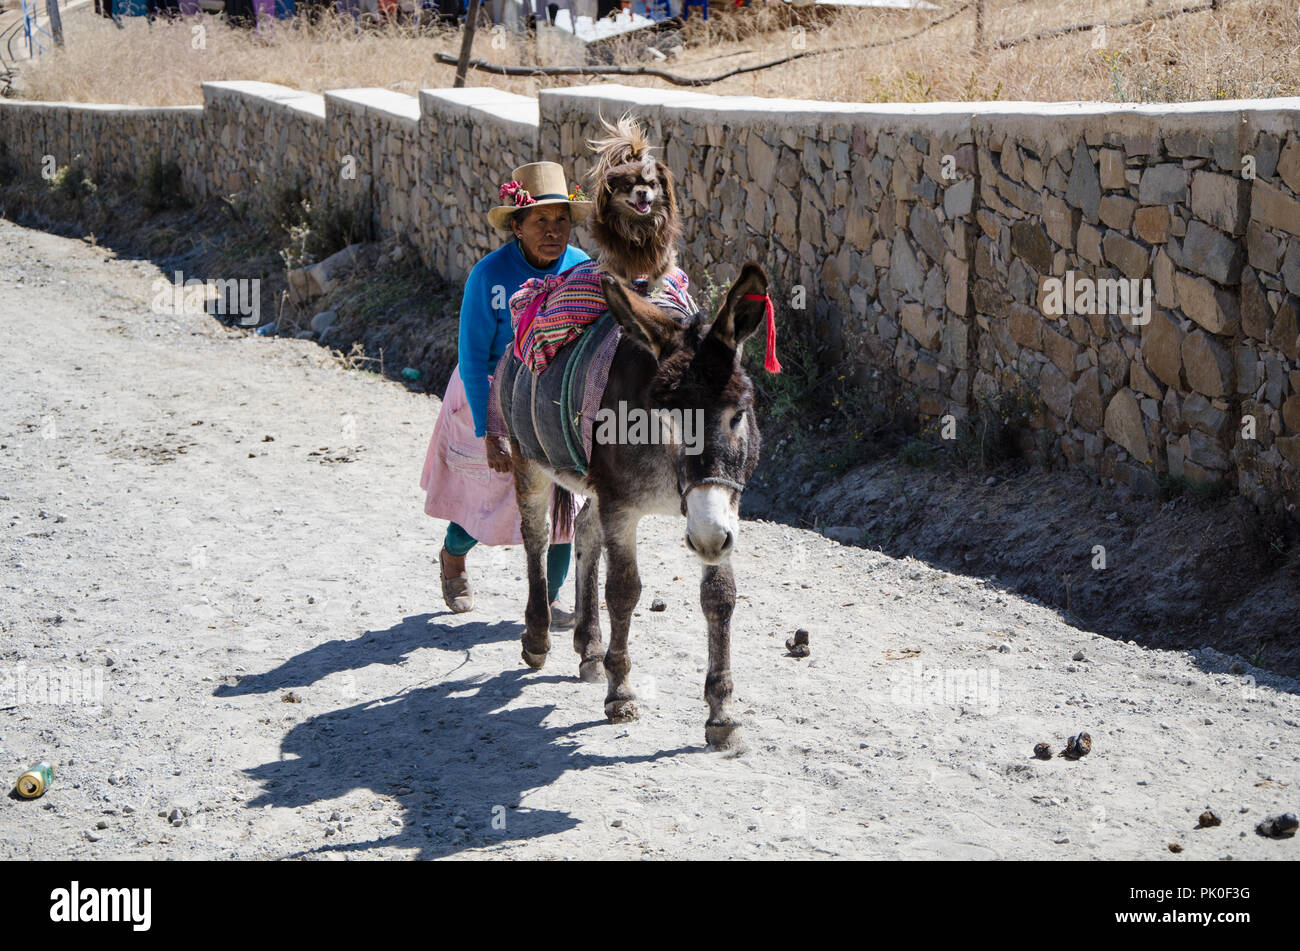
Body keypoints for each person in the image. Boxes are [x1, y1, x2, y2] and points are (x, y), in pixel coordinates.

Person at [419, 161, 591, 621]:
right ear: (517, 226)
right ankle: (454, 558)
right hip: (491, 393)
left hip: (553, 402)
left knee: (563, 503)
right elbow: (473, 358)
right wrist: (489, 430)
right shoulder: (488, 276)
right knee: (490, 498)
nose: (554, 231)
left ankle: (549, 599)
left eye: (562, 220)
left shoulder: (584, 271)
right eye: (541, 221)